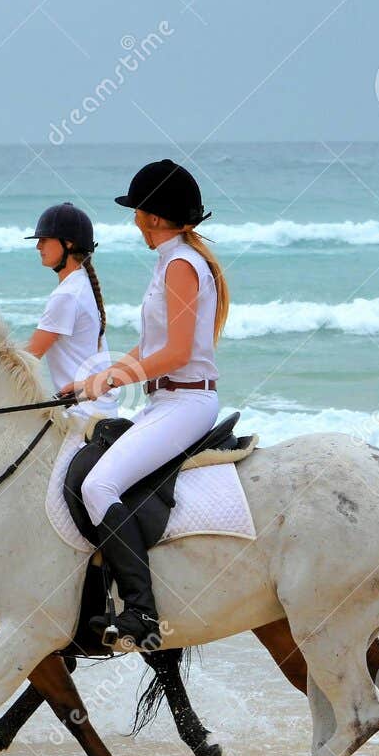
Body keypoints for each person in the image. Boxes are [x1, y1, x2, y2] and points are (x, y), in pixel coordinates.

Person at [64, 159, 230, 650]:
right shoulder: (170, 262)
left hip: (186, 403)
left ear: (153, 216)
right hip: (165, 402)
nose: (134, 218)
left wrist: (119, 374)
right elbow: (152, 344)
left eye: (138, 209)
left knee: (99, 484)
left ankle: (141, 611)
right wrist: (101, 376)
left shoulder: (181, 265)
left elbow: (178, 353)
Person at [23, 201, 116, 419]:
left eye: (44, 240)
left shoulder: (67, 294)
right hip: (96, 408)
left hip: (82, 414)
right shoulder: (81, 284)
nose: (38, 247)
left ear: (68, 243)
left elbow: (27, 359)